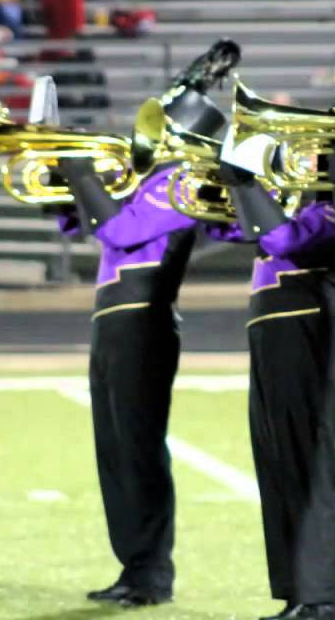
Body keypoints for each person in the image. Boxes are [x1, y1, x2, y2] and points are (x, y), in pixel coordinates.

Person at [51, 39, 240, 608]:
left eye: (162, 133)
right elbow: (84, 226)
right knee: (114, 449)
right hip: (111, 322)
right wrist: (69, 193)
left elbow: (119, 233)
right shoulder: (143, 182)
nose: (148, 140)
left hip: (145, 322)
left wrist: (82, 177)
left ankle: (153, 572)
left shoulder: (182, 186)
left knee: (138, 447)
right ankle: (133, 568)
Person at [211, 81, 335, 620]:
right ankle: (297, 594)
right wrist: (236, 181)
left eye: (319, 148)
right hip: (274, 338)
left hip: (310, 335)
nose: (305, 154)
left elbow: (284, 242)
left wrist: (247, 180)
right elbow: (235, 231)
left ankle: (322, 598)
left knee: (308, 470)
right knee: (280, 467)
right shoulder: (303, 204)